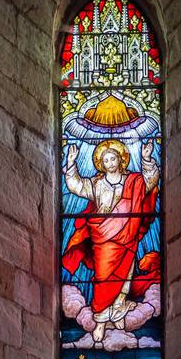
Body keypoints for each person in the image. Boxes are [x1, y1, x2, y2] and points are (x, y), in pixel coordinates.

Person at [62, 138, 160, 344]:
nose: (109, 162)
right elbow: (76, 186)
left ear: (121, 159)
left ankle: (117, 313)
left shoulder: (132, 181)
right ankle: (100, 319)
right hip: (103, 239)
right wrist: (71, 164)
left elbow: (150, 182)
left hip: (127, 238)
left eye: (113, 158)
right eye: (105, 160)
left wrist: (146, 159)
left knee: (124, 279)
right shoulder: (97, 183)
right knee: (103, 280)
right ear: (101, 163)